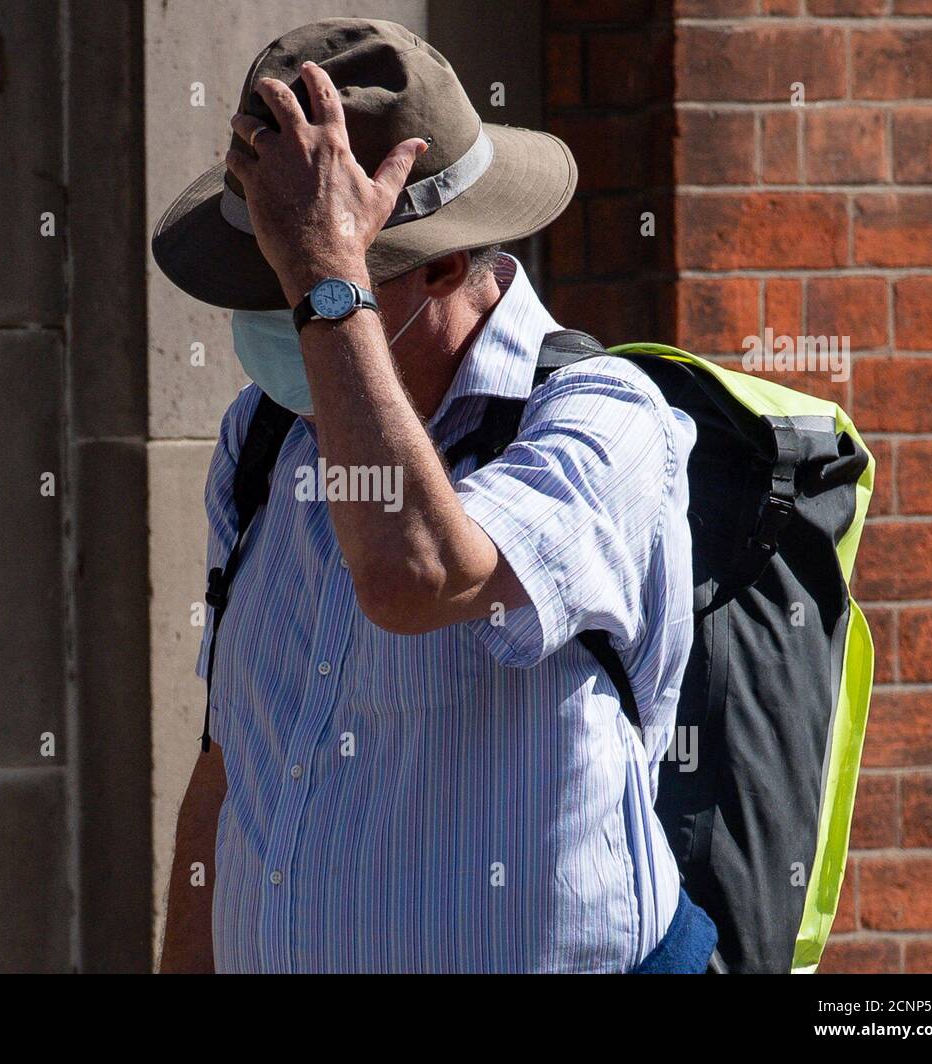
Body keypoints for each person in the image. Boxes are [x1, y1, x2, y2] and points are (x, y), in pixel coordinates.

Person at [153, 17, 714, 974]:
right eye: (270, 275)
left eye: (308, 275)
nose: (280, 312)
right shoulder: (263, 437)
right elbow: (230, 764)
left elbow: (416, 575)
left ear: (450, 264)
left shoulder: (606, 419)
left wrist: (327, 279)